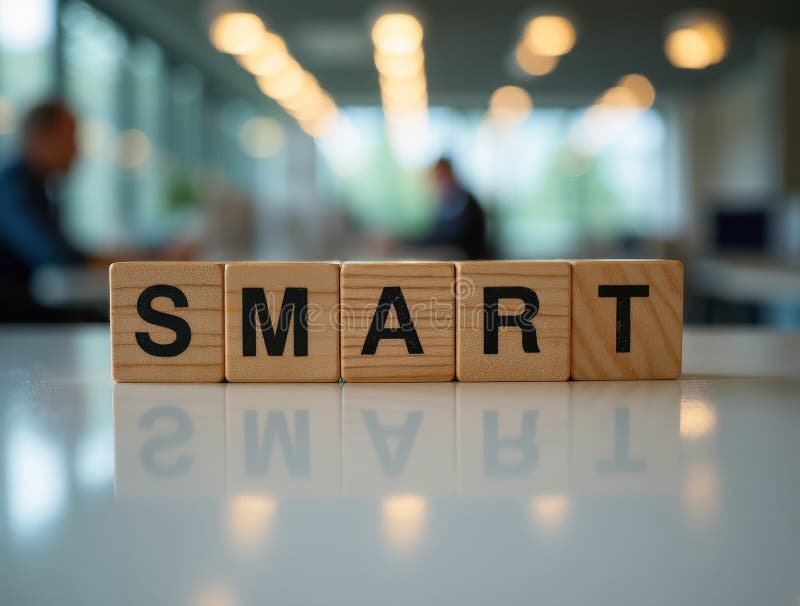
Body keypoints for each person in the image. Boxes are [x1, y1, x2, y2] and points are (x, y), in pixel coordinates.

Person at [0, 100, 192, 322]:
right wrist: (152, 257)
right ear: (41, 137)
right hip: (19, 325)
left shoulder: (31, 185)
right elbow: (59, 256)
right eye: (70, 139)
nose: (76, 150)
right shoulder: (12, 187)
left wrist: (150, 256)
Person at [417, 157, 489, 259]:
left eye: (441, 177)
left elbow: (454, 238)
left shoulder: (464, 202)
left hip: (471, 263)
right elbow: (434, 234)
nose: (439, 184)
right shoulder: (447, 204)